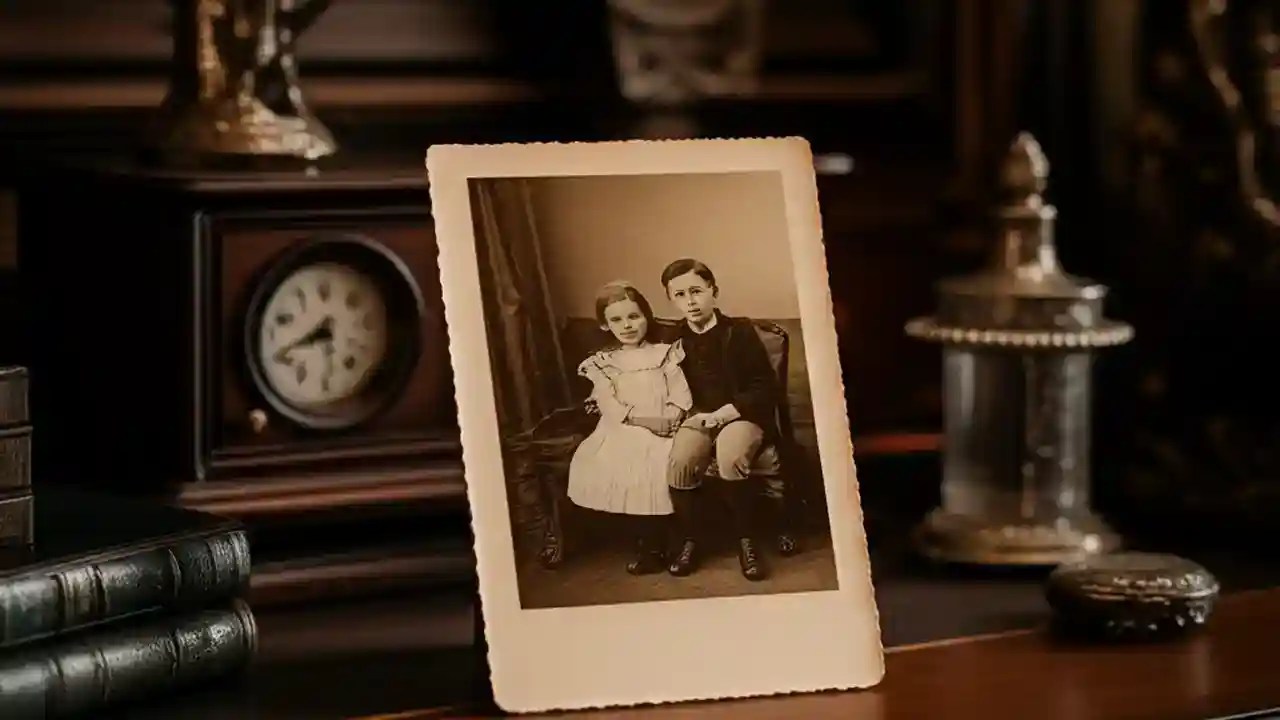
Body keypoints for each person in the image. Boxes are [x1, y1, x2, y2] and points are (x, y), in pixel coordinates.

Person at [660, 258, 782, 581]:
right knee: (681, 460)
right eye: (680, 295)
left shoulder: (739, 331)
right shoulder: (674, 338)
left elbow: (764, 386)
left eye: (697, 291)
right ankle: (691, 539)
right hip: (698, 416)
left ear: (713, 291)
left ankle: (746, 540)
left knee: (730, 453)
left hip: (741, 415)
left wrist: (726, 413)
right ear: (672, 300)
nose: (690, 301)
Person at [566, 281, 692, 575]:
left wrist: (673, 417)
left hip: (668, 425)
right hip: (625, 425)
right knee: (628, 461)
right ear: (605, 325)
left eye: (634, 317)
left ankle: (671, 541)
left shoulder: (666, 353)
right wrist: (647, 422)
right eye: (617, 320)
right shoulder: (604, 363)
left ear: (647, 317)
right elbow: (609, 404)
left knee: (661, 461)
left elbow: (680, 392)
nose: (627, 326)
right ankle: (648, 545)